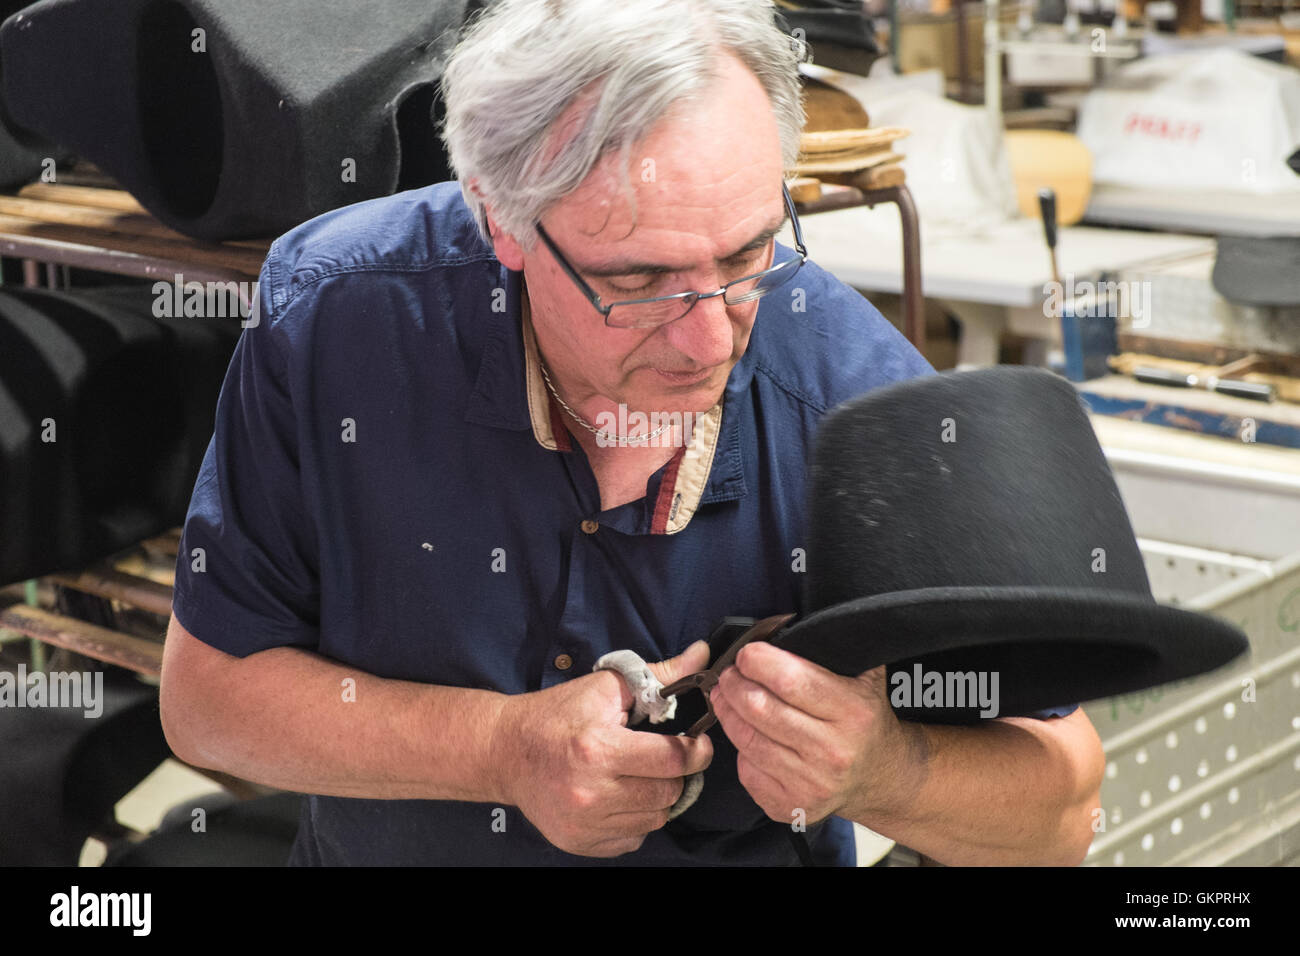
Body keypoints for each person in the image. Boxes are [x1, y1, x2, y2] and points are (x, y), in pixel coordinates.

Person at [160, 0, 1104, 866]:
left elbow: (1064, 811)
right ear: (502, 219)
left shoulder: (856, 402)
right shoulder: (336, 319)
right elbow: (207, 705)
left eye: (745, 256)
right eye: (639, 282)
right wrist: (500, 750)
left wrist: (887, 770)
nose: (705, 341)